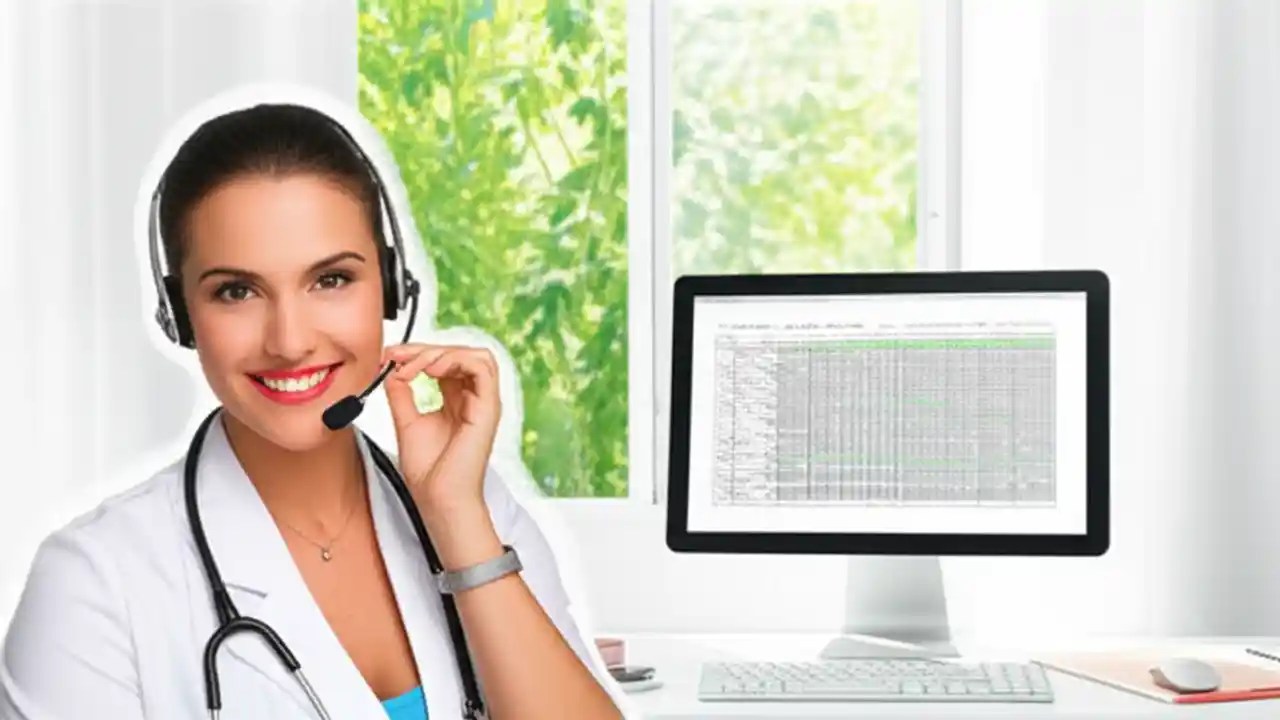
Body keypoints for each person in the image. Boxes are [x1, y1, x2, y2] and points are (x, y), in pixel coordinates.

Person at [0, 96, 624, 719]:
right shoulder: (91, 584)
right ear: (181, 317)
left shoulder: (475, 512)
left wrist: (458, 522)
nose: (290, 340)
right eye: (236, 291)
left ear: (392, 285)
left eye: (330, 280)